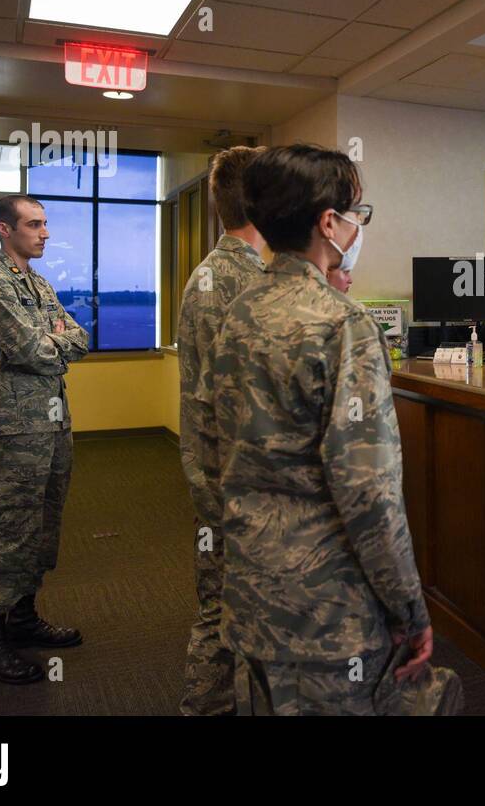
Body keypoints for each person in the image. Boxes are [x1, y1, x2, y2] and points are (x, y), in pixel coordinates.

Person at [208, 144, 431, 715]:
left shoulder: (239, 312)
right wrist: (408, 605)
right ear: (328, 223)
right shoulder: (343, 324)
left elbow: (214, 447)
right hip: (327, 614)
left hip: (251, 593)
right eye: (357, 213)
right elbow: (368, 492)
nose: (360, 225)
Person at [0, 194, 87, 685]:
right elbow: (29, 348)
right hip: (17, 430)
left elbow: (78, 338)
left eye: (45, 224)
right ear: (4, 230)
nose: (45, 233)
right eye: (34, 224)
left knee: (42, 527)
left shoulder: (37, 283)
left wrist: (55, 340)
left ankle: (23, 617)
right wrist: (55, 340)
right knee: (12, 531)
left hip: (53, 425)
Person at [177, 146, 267, 716]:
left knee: (218, 605)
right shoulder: (246, 283)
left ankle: (205, 705)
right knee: (242, 613)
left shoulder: (216, 272)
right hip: (241, 484)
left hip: (215, 476)